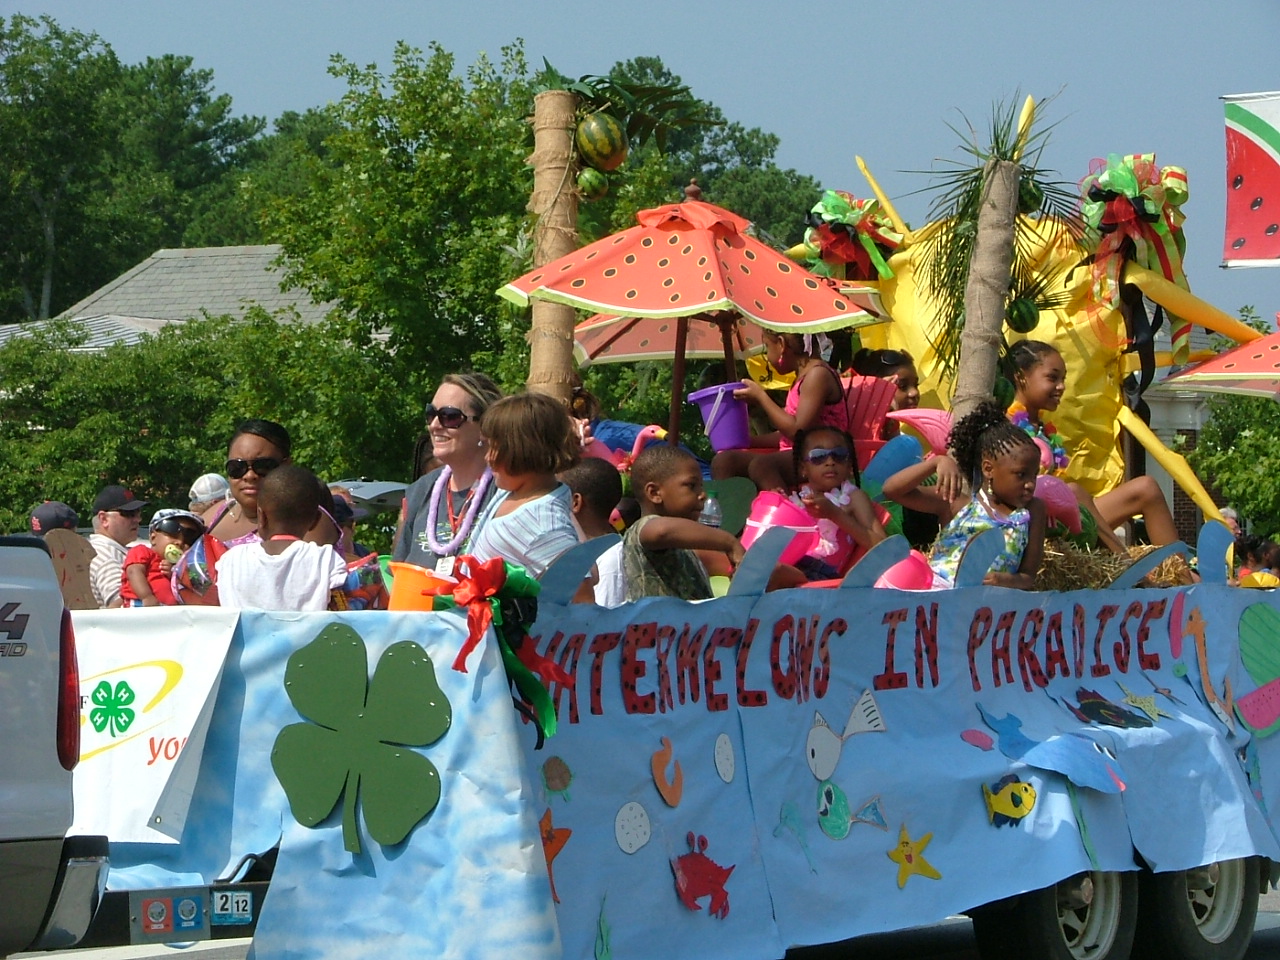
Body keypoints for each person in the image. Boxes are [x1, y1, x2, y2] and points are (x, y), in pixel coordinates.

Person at [1007, 340, 1176, 548]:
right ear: (1021, 376)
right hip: (1033, 523)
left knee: (1146, 488)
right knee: (1075, 491)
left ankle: (1181, 573)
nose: (1061, 387)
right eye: (1052, 377)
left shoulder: (1042, 428)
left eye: (1063, 379)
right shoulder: (1005, 429)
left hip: (1064, 517)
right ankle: (1130, 569)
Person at [884, 402, 1046, 589]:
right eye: (1021, 474)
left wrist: (1005, 581)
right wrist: (935, 462)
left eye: (1034, 475)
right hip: (935, 599)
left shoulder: (1031, 512)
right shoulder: (957, 504)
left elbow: (1028, 576)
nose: (1030, 484)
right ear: (988, 469)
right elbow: (892, 490)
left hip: (983, 609)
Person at [393, 372, 504, 574]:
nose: (434, 425)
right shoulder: (420, 490)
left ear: (485, 426)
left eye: (449, 416)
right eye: (431, 414)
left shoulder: (505, 486)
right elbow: (400, 571)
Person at [468, 392, 582, 581]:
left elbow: (581, 596)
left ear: (522, 450)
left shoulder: (543, 525)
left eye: (494, 447)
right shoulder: (512, 491)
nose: (487, 457)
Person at [712, 330, 848, 483]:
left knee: (762, 465)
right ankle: (727, 506)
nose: (768, 357)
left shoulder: (817, 376)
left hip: (821, 457)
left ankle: (781, 506)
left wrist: (761, 397)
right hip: (797, 454)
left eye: (767, 347)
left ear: (782, 345)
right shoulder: (802, 378)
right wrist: (747, 441)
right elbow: (786, 433)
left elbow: (797, 432)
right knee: (724, 461)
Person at [215, 465, 348, 611]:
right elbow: (342, 613)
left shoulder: (230, 561)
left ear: (261, 516)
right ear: (315, 520)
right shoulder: (326, 560)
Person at [624, 445, 746, 601]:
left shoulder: (685, 549)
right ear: (654, 493)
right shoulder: (643, 528)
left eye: (701, 486)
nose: (702, 494)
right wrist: (729, 542)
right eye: (691, 486)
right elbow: (661, 530)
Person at [789, 426, 886, 581]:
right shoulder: (797, 497)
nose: (830, 462)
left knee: (774, 572)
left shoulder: (854, 498)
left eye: (839, 455)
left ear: (849, 466)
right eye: (818, 456)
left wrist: (835, 514)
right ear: (803, 468)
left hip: (821, 576)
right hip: (792, 564)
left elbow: (884, 548)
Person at [204, 419, 293, 546]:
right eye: (237, 467)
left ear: (287, 466)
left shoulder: (305, 520)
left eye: (263, 466)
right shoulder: (218, 513)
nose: (249, 476)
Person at [558, 457, 625, 607]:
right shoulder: (587, 549)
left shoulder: (610, 559)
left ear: (575, 502)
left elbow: (602, 620)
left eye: (559, 494)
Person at [120, 510, 205, 607]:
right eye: (173, 535)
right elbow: (133, 572)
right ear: (153, 538)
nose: (180, 542)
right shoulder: (142, 551)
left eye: (189, 539)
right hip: (141, 604)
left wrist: (175, 573)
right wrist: (147, 597)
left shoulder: (185, 566)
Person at [88, 484, 148, 608]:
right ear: (104, 519)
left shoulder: (98, 550)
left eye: (138, 513)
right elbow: (123, 609)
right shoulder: (106, 557)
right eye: (129, 513)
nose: (138, 519)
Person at [851, 347, 921, 435]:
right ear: (873, 389)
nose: (914, 392)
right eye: (902, 386)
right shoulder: (851, 429)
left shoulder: (892, 429)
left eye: (916, 385)